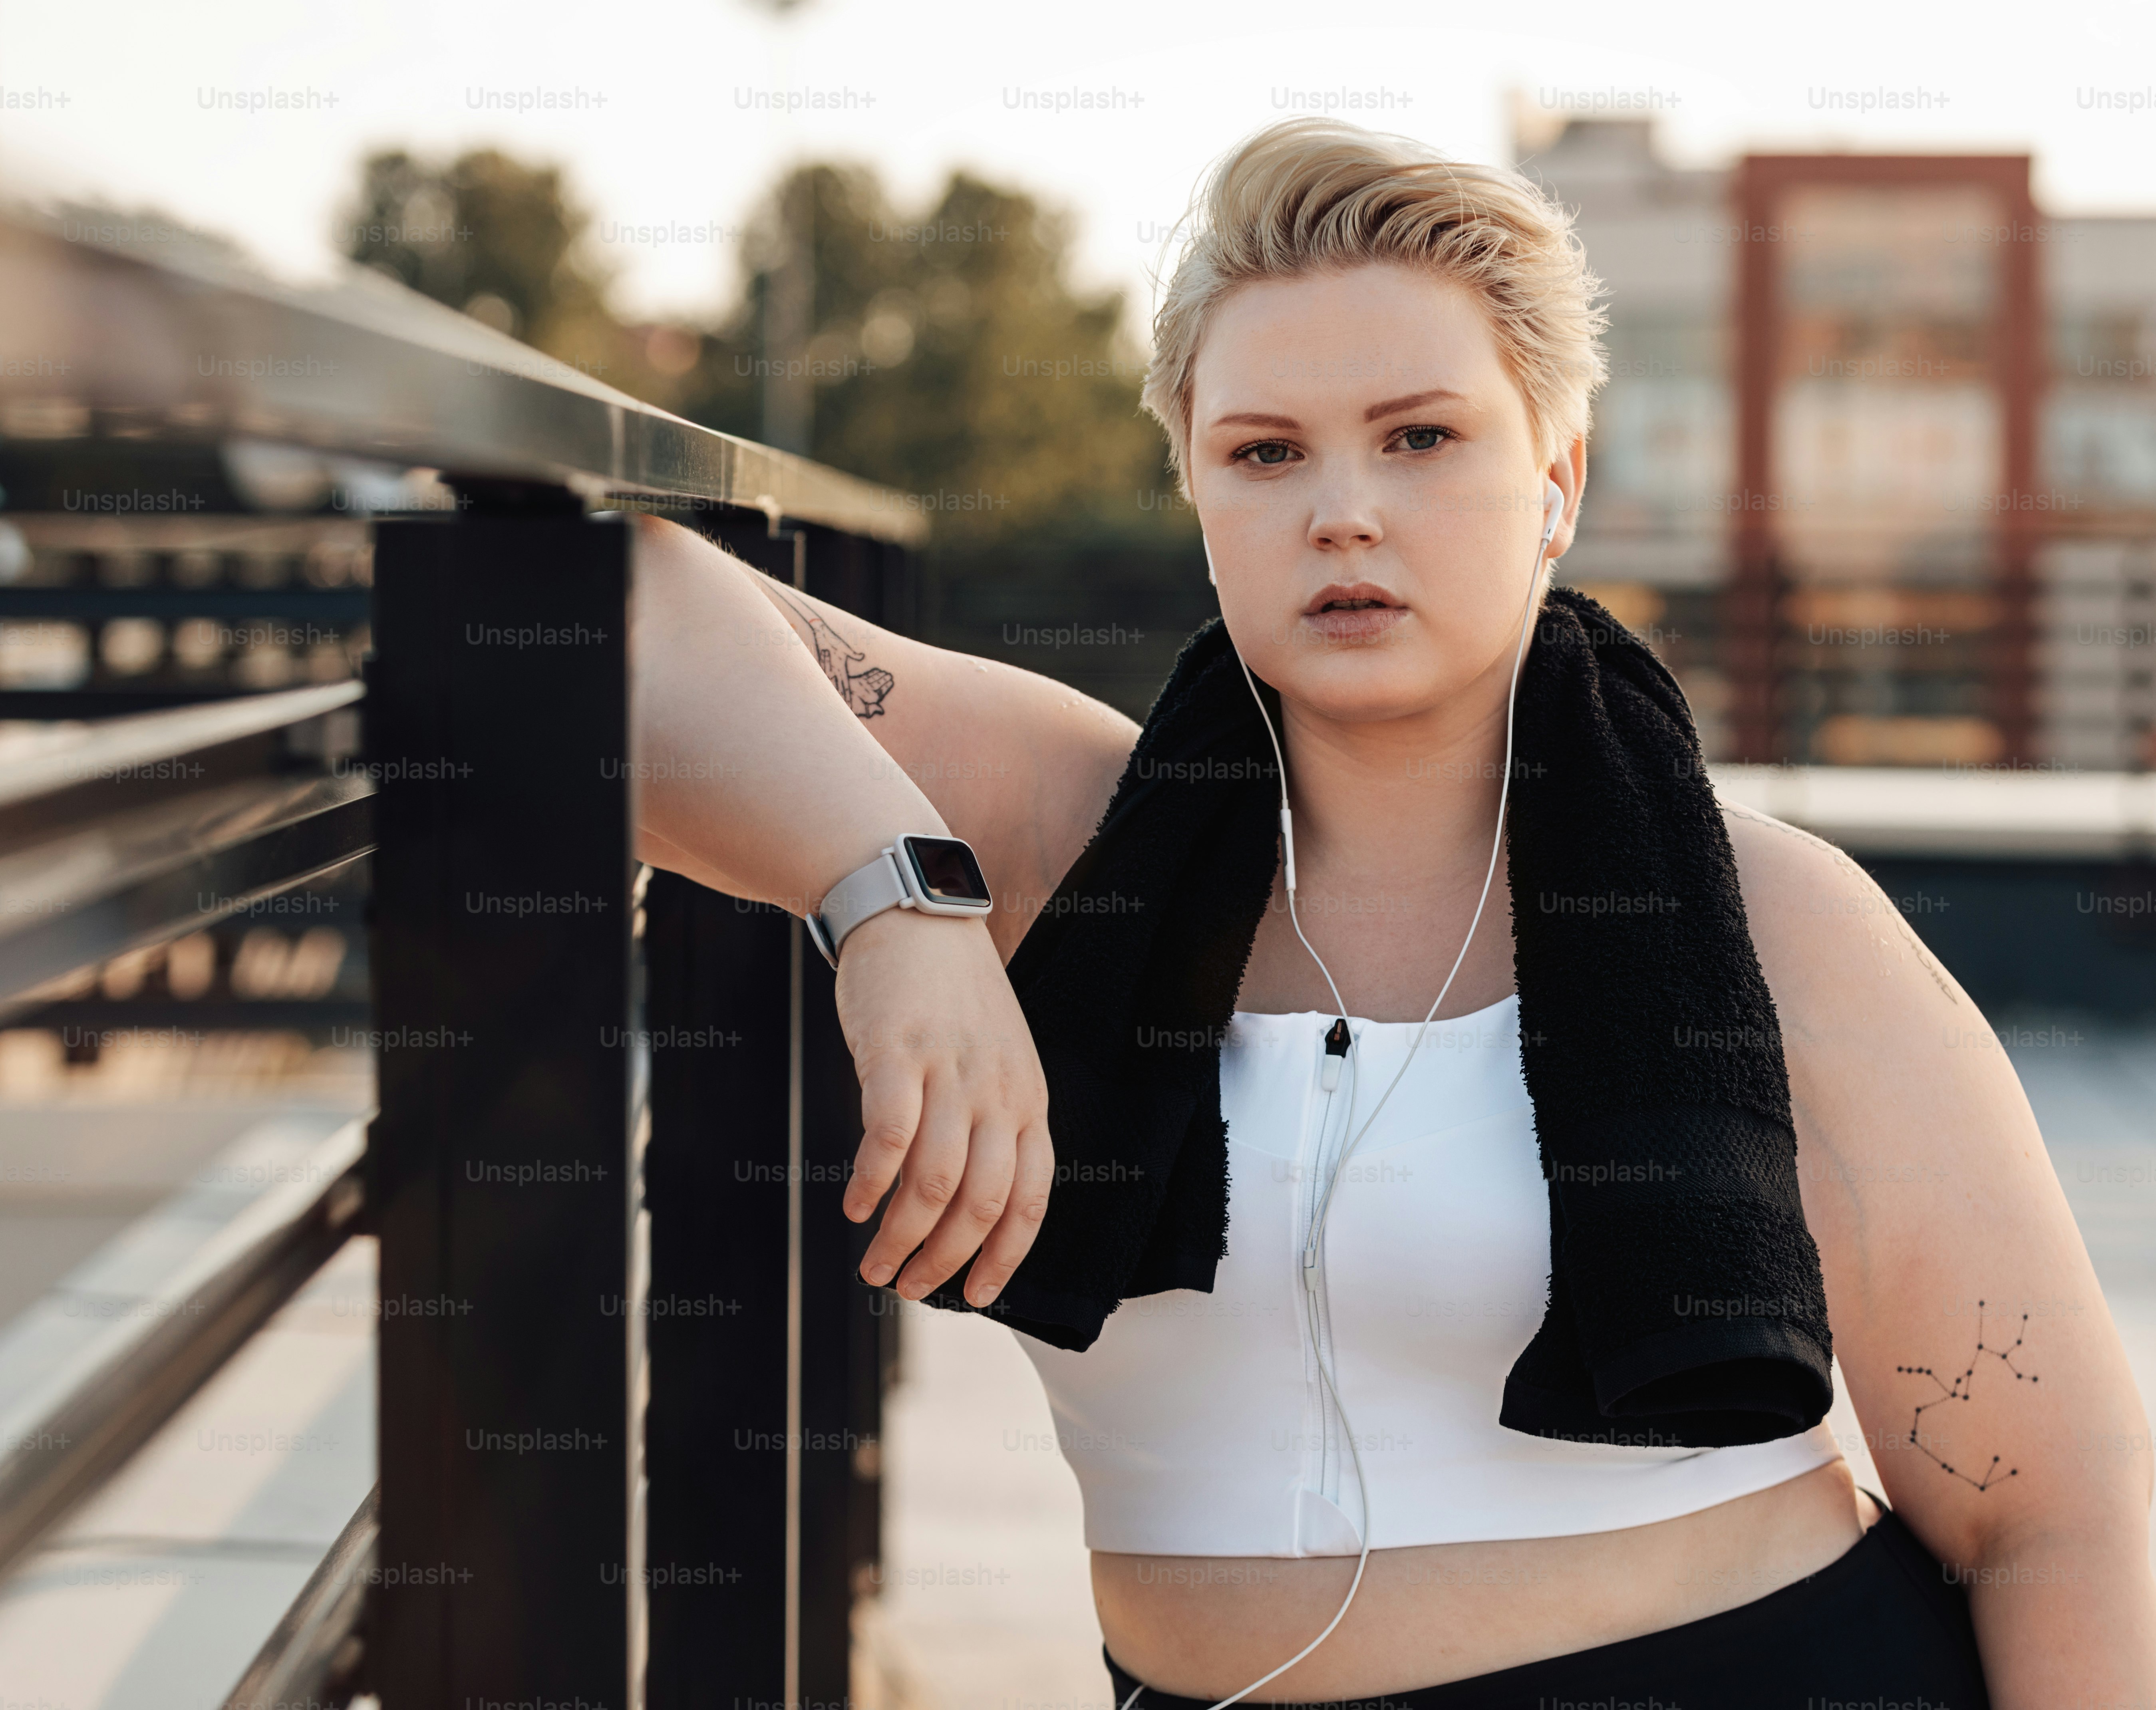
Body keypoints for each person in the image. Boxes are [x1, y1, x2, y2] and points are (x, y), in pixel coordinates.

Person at [628, 118, 2154, 1708]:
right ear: (1196, 490)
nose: (1342, 512)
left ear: (1555, 482)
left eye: (1420, 438)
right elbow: (618, 605)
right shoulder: (1066, 835)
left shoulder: (1778, 920)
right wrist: (897, 903)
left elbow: (2051, 1516)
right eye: (1265, 452)